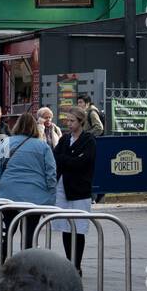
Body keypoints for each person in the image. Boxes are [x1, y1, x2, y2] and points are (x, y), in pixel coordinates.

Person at [0, 112, 57, 274]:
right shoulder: (43, 146)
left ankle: (0, 262)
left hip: (8, 194)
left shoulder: (6, 143)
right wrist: (50, 191)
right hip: (35, 196)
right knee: (30, 231)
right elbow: (51, 172)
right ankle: (27, 266)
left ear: (17, 126)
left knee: (8, 229)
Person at [51, 109, 97, 275]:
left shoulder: (88, 140)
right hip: (63, 186)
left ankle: (76, 264)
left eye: (72, 121)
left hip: (80, 189)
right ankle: (69, 262)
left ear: (81, 122)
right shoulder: (64, 139)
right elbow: (56, 157)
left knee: (78, 227)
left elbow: (83, 161)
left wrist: (66, 159)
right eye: (68, 121)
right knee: (65, 226)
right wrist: (69, 159)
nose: (69, 124)